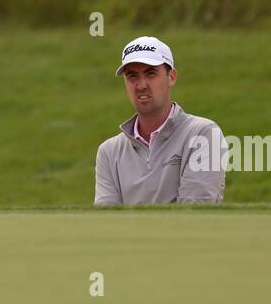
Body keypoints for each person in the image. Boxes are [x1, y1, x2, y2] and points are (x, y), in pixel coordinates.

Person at [94, 36, 226, 205]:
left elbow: (193, 214)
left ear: (171, 77)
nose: (141, 85)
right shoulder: (109, 151)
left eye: (150, 73)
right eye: (132, 76)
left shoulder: (203, 133)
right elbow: (106, 222)